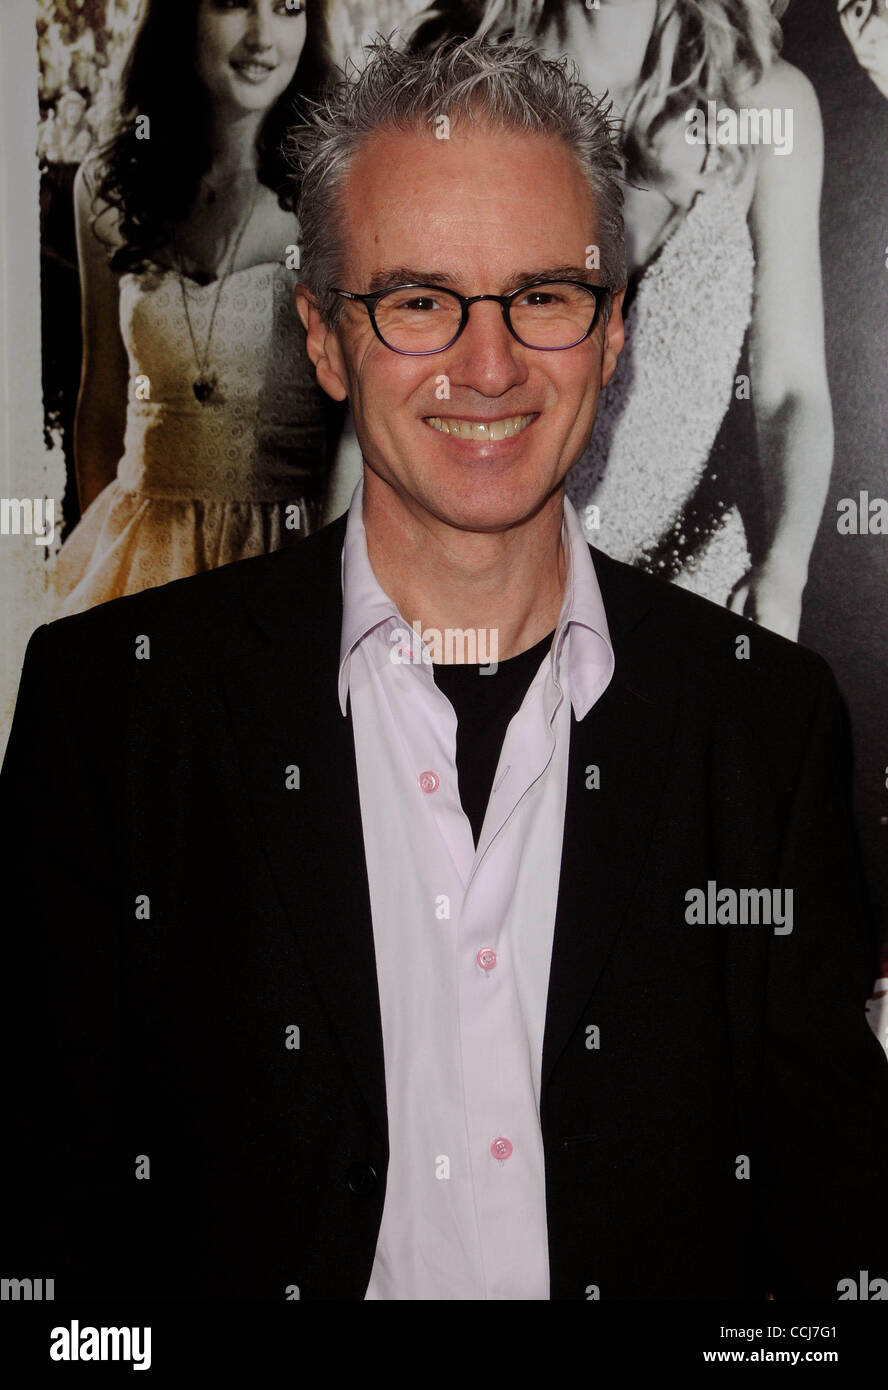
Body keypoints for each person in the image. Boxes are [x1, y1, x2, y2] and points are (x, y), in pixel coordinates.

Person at [3, 36, 886, 1301]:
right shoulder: (116, 718)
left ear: (613, 330)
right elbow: (49, 1274)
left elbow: (832, 1251)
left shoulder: (766, 728)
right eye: (419, 300)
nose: (489, 364)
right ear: (322, 335)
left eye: (544, 296)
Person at [320, 0, 827, 642]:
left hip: (695, 604)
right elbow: (378, 398)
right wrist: (334, 617)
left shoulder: (764, 107)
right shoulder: (453, 96)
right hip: (482, 607)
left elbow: (792, 389)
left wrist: (784, 571)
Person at [55, 0, 342, 616]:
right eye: (235, 3)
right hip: (134, 560)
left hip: (285, 562)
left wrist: (327, 584)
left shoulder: (341, 190)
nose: (263, 37)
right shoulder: (105, 188)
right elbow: (102, 402)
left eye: (289, 7)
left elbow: (363, 429)